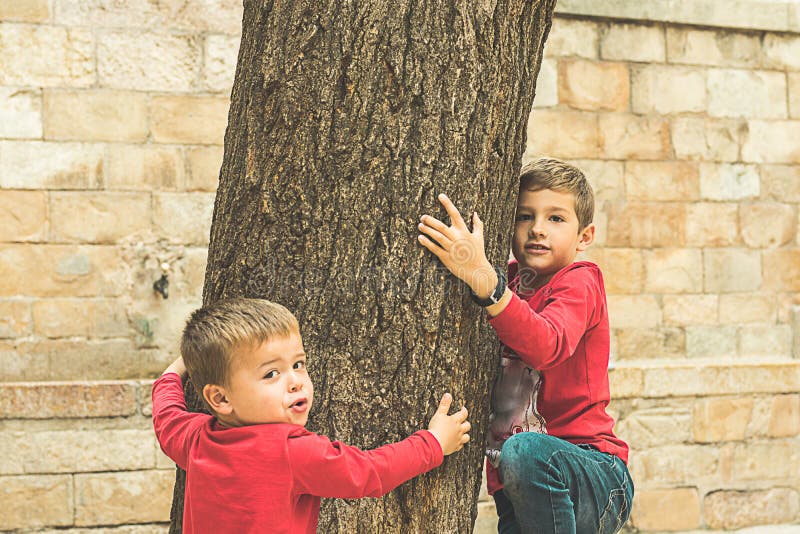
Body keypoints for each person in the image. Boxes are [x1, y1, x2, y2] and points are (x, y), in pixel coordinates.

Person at [418, 157, 633, 533]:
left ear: (585, 236)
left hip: (591, 471)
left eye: (555, 219)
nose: (537, 230)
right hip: (518, 490)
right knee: (519, 455)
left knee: (524, 449)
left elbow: (547, 344)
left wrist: (484, 279)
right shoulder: (509, 283)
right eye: (524, 216)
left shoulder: (580, 280)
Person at [152, 298, 470, 534]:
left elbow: (166, 415)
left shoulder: (196, 440)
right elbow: (370, 473)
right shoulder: (293, 451)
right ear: (220, 398)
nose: (295, 381)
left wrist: (177, 369)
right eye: (271, 373)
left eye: (298, 364)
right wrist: (434, 443)